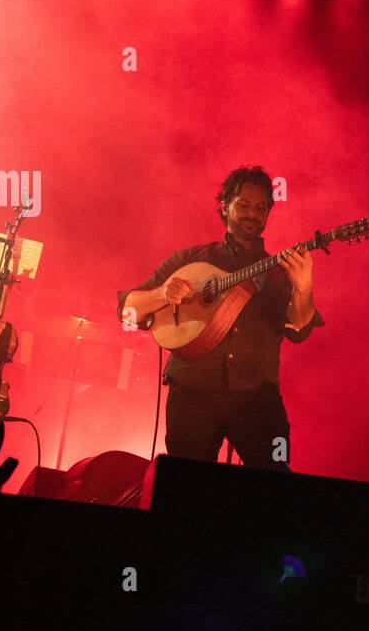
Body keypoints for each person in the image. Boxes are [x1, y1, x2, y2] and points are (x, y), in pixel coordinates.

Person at [117, 166, 321, 470]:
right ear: (224, 207)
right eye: (243, 205)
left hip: (256, 395)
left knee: (276, 480)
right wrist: (163, 294)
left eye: (260, 208)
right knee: (187, 487)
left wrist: (304, 286)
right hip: (192, 390)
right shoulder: (190, 259)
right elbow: (128, 311)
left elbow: (300, 329)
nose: (252, 213)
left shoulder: (279, 271)